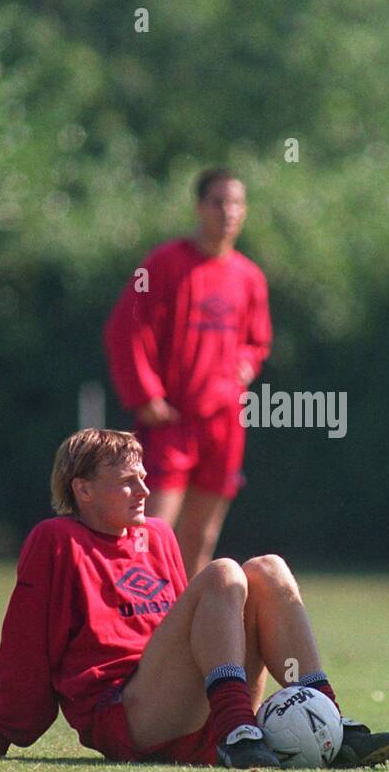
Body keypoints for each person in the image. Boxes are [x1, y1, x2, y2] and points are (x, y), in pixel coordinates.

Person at [0, 429, 389, 769]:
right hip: (125, 712)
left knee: (268, 569)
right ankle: (238, 730)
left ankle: (330, 723)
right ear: (83, 489)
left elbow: (194, 627)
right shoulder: (55, 540)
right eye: (127, 481)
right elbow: (25, 645)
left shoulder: (155, 534)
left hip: (194, 700)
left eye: (143, 477)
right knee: (222, 573)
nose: (145, 491)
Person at [103, 168, 271, 577]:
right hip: (172, 420)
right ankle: (137, 625)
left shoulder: (249, 276)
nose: (227, 212)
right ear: (199, 207)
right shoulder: (165, 263)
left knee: (203, 537)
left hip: (224, 422)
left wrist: (247, 363)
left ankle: (193, 630)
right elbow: (126, 327)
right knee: (150, 529)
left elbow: (257, 340)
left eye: (236, 203)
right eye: (218, 202)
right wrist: (146, 396)